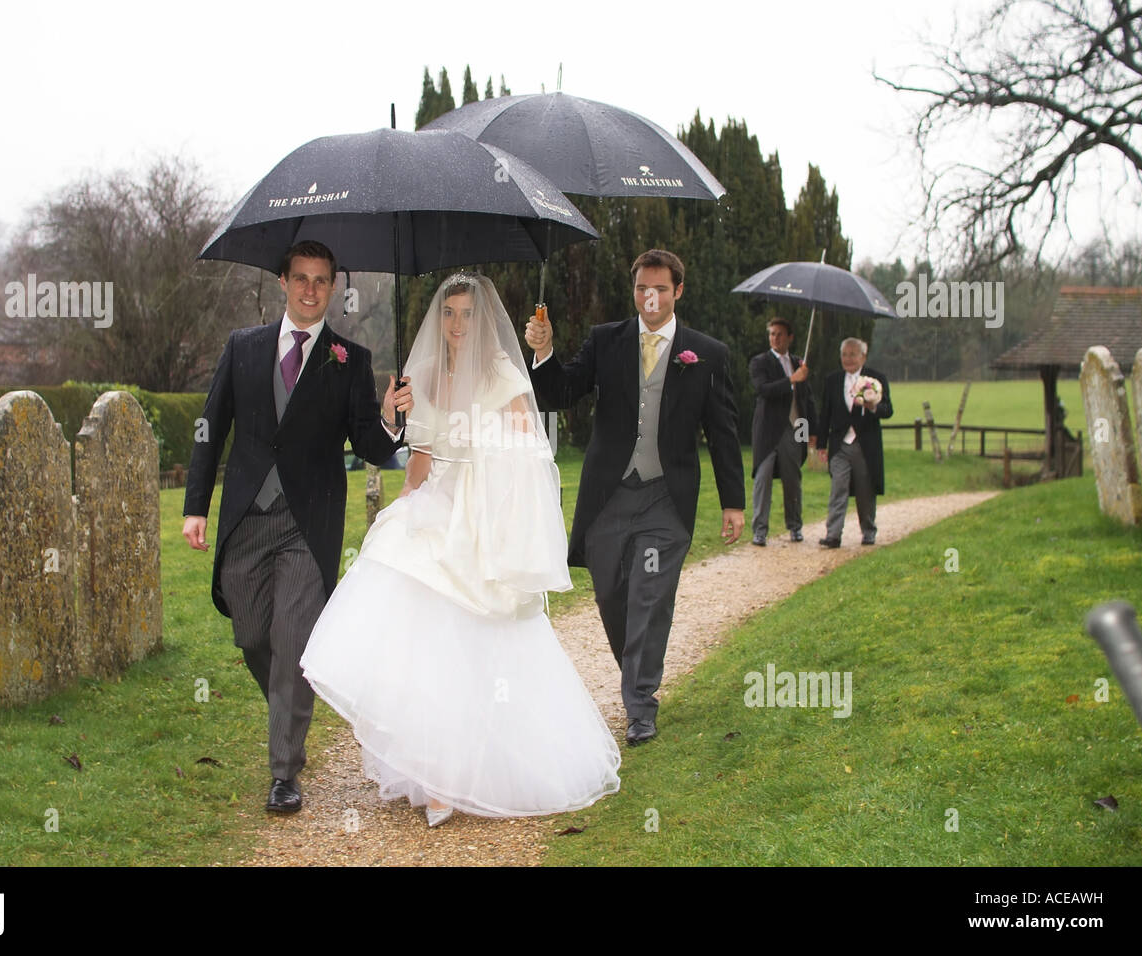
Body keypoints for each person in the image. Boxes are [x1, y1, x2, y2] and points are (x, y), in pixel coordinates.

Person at [301, 273, 620, 828]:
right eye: (448, 313)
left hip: (483, 517)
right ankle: (431, 768)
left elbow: (530, 454)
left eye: (467, 314)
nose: (456, 324)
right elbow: (419, 460)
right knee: (425, 642)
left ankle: (478, 765)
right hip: (435, 508)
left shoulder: (501, 375)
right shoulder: (419, 377)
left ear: (481, 320)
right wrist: (402, 504)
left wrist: (486, 460)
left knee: (480, 647)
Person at [182, 240, 412, 815]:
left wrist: (391, 416)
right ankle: (289, 699)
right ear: (283, 282)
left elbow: (371, 447)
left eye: (322, 280)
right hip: (247, 518)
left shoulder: (349, 359)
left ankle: (284, 773)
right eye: (301, 279)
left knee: (291, 640)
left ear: (334, 288)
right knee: (255, 637)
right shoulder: (243, 347)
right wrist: (195, 506)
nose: (311, 289)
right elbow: (211, 426)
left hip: (308, 524)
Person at [524, 249, 745, 746]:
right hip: (609, 495)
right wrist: (544, 351)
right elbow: (560, 392)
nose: (652, 297)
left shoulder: (707, 353)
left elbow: (724, 431)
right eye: (644, 288)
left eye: (661, 289)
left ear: (678, 291)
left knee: (650, 595)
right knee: (610, 595)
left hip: (667, 498)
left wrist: (734, 501)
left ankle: (640, 705)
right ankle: (637, 670)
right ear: (635, 290)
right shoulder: (607, 341)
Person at [815, 337, 892, 548]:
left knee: (865, 490)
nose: (848, 359)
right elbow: (825, 414)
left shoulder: (877, 379)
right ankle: (833, 535)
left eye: (852, 354)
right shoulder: (832, 380)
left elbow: (888, 410)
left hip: (865, 445)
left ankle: (868, 531)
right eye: (844, 354)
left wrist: (872, 405)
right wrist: (821, 444)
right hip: (840, 445)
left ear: (863, 356)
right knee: (838, 487)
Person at [749, 317, 817, 545]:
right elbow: (763, 389)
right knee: (763, 479)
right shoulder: (760, 362)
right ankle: (760, 531)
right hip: (768, 431)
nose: (774, 338)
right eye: (771, 334)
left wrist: (811, 432)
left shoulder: (800, 363)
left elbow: (807, 400)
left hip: (796, 429)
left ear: (790, 337)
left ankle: (795, 527)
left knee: (793, 479)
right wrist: (790, 380)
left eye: (779, 334)